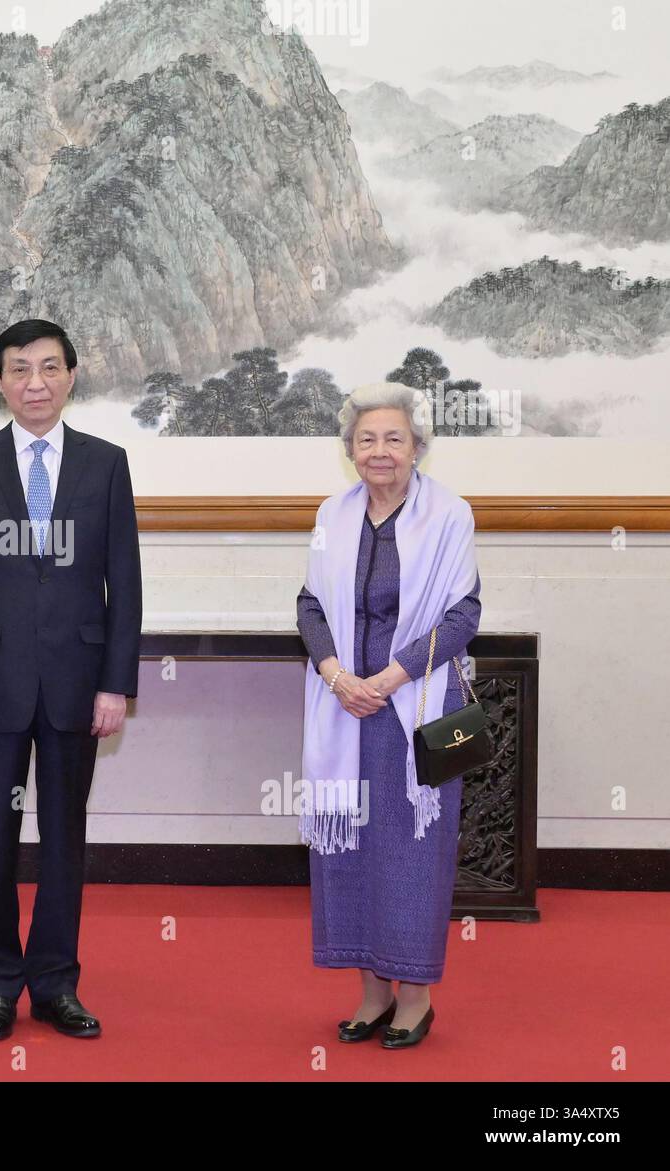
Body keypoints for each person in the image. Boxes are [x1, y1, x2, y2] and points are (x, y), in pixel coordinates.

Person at [0, 319, 143, 1041]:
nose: (35, 383)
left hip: (78, 682)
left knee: (64, 839)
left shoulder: (106, 464)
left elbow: (126, 582)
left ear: (72, 375)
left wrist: (116, 683)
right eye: (20, 369)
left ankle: (54, 982)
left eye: (50, 367)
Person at [296, 381, 481, 1050]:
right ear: (350, 449)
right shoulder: (332, 514)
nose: (379, 451)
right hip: (345, 706)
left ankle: (416, 996)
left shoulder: (450, 515)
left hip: (416, 707)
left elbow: (464, 614)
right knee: (350, 848)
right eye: (367, 439)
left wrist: (391, 677)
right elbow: (309, 607)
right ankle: (371, 992)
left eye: (393, 438)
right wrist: (338, 676)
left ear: (418, 447)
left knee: (411, 851)